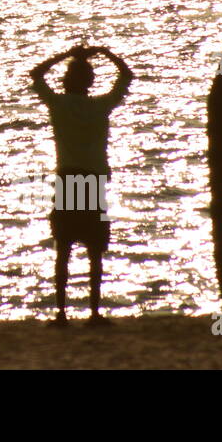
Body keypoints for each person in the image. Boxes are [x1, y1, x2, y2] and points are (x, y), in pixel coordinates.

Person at [29, 43, 134, 326]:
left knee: (63, 248)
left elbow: (36, 74)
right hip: (92, 180)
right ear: (90, 82)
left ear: (65, 81)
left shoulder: (58, 104)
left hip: (67, 179)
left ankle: (61, 313)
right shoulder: (100, 106)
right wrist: (106, 53)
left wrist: (66, 55)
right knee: (94, 251)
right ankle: (94, 312)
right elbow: (126, 76)